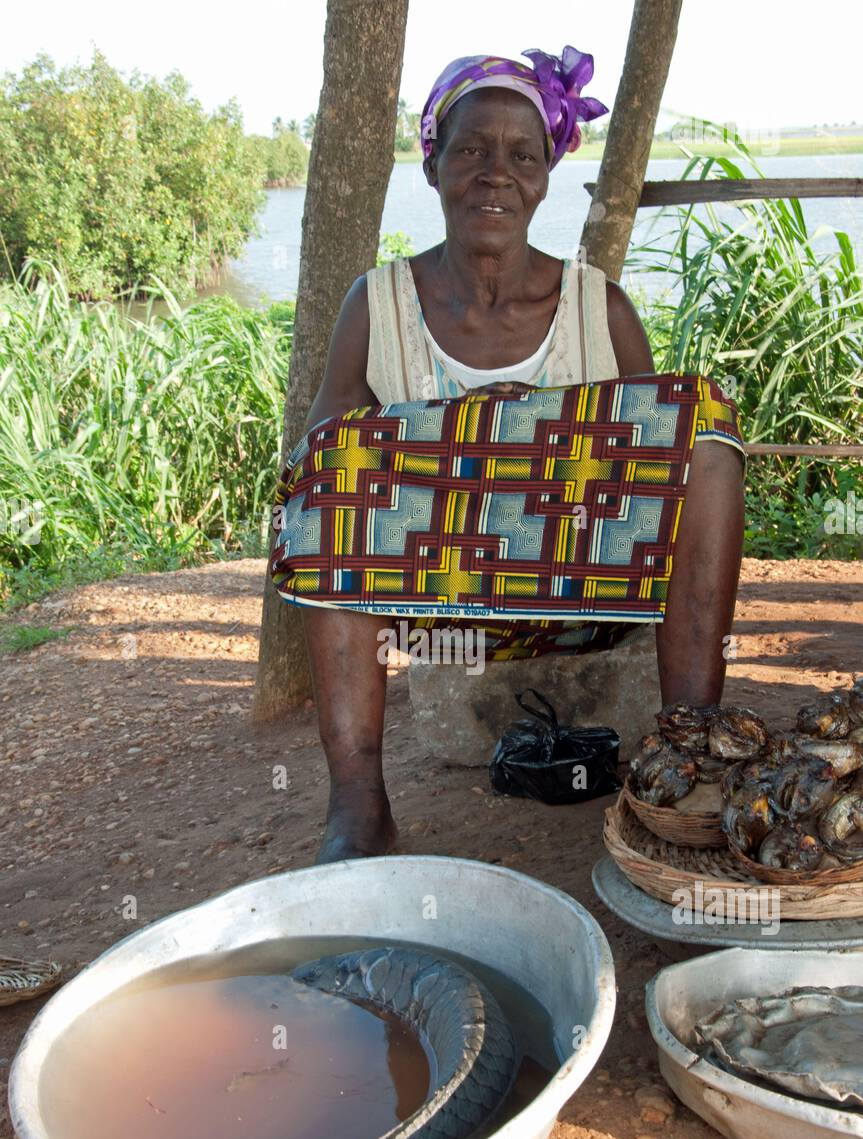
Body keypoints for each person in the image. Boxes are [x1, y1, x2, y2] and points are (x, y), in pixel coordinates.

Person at [270, 47, 746, 864]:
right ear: (432, 164)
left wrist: (527, 450)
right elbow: (317, 473)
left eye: (522, 155)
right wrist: (454, 445)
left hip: (587, 608)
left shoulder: (599, 308)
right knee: (330, 468)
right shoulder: (376, 304)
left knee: (703, 433)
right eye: (471, 150)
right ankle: (358, 803)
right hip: (435, 614)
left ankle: (690, 753)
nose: (497, 173)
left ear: (546, 176)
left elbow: (666, 481)